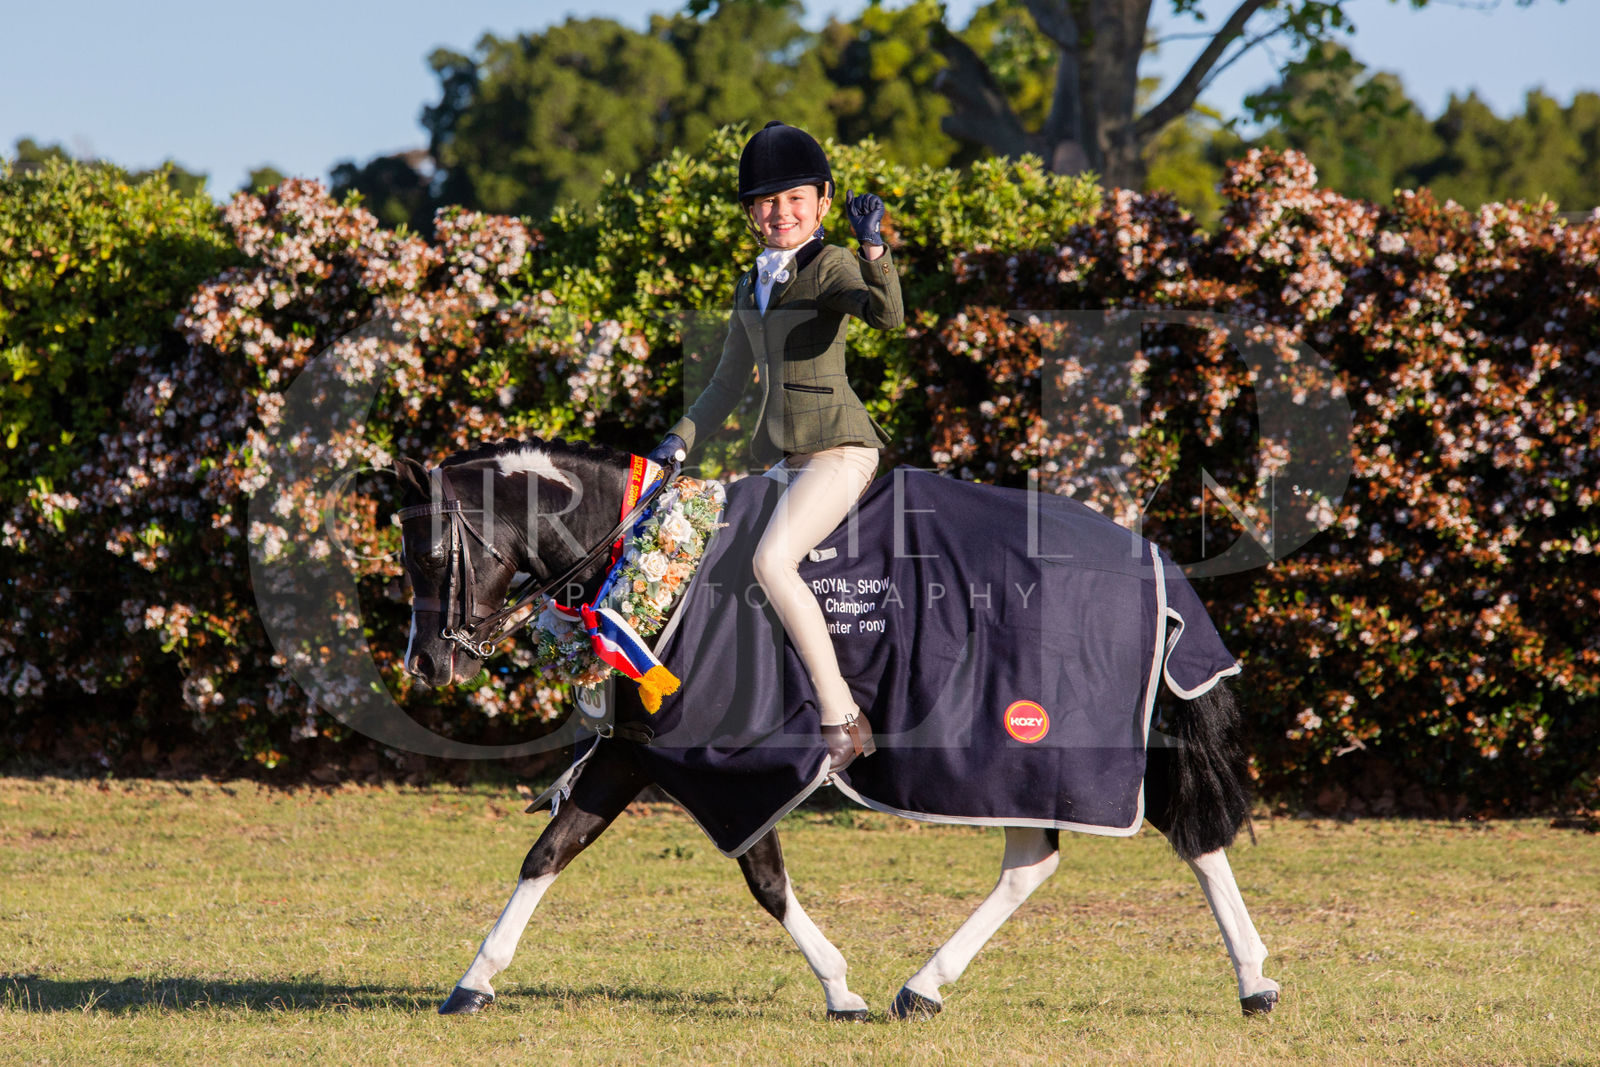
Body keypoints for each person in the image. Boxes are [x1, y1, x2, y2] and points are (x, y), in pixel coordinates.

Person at [649, 120, 903, 775]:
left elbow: (886, 316)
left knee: (771, 561)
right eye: (766, 202)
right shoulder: (749, 283)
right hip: (783, 459)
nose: (779, 212)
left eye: (794, 199)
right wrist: (676, 441)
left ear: (822, 201)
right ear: (750, 214)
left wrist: (874, 248)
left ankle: (843, 716)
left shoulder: (832, 263)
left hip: (840, 449)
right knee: (721, 566)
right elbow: (727, 381)